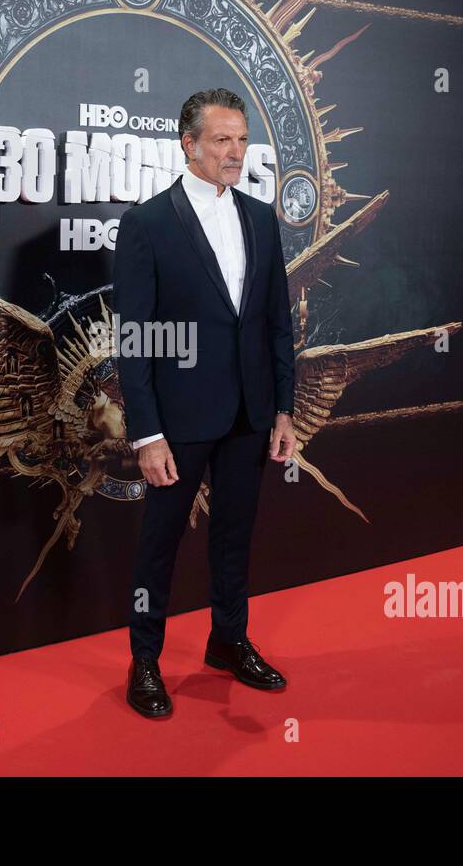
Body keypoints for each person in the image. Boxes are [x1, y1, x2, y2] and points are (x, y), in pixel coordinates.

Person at [111, 87, 297, 719]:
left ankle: (228, 640)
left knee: (234, 537)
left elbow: (276, 324)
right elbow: (133, 341)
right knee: (158, 545)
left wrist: (284, 410)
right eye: (221, 140)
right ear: (188, 144)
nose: (235, 152)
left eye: (242, 140)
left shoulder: (261, 217)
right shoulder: (147, 224)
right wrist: (146, 433)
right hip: (179, 420)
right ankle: (143, 661)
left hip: (249, 412)